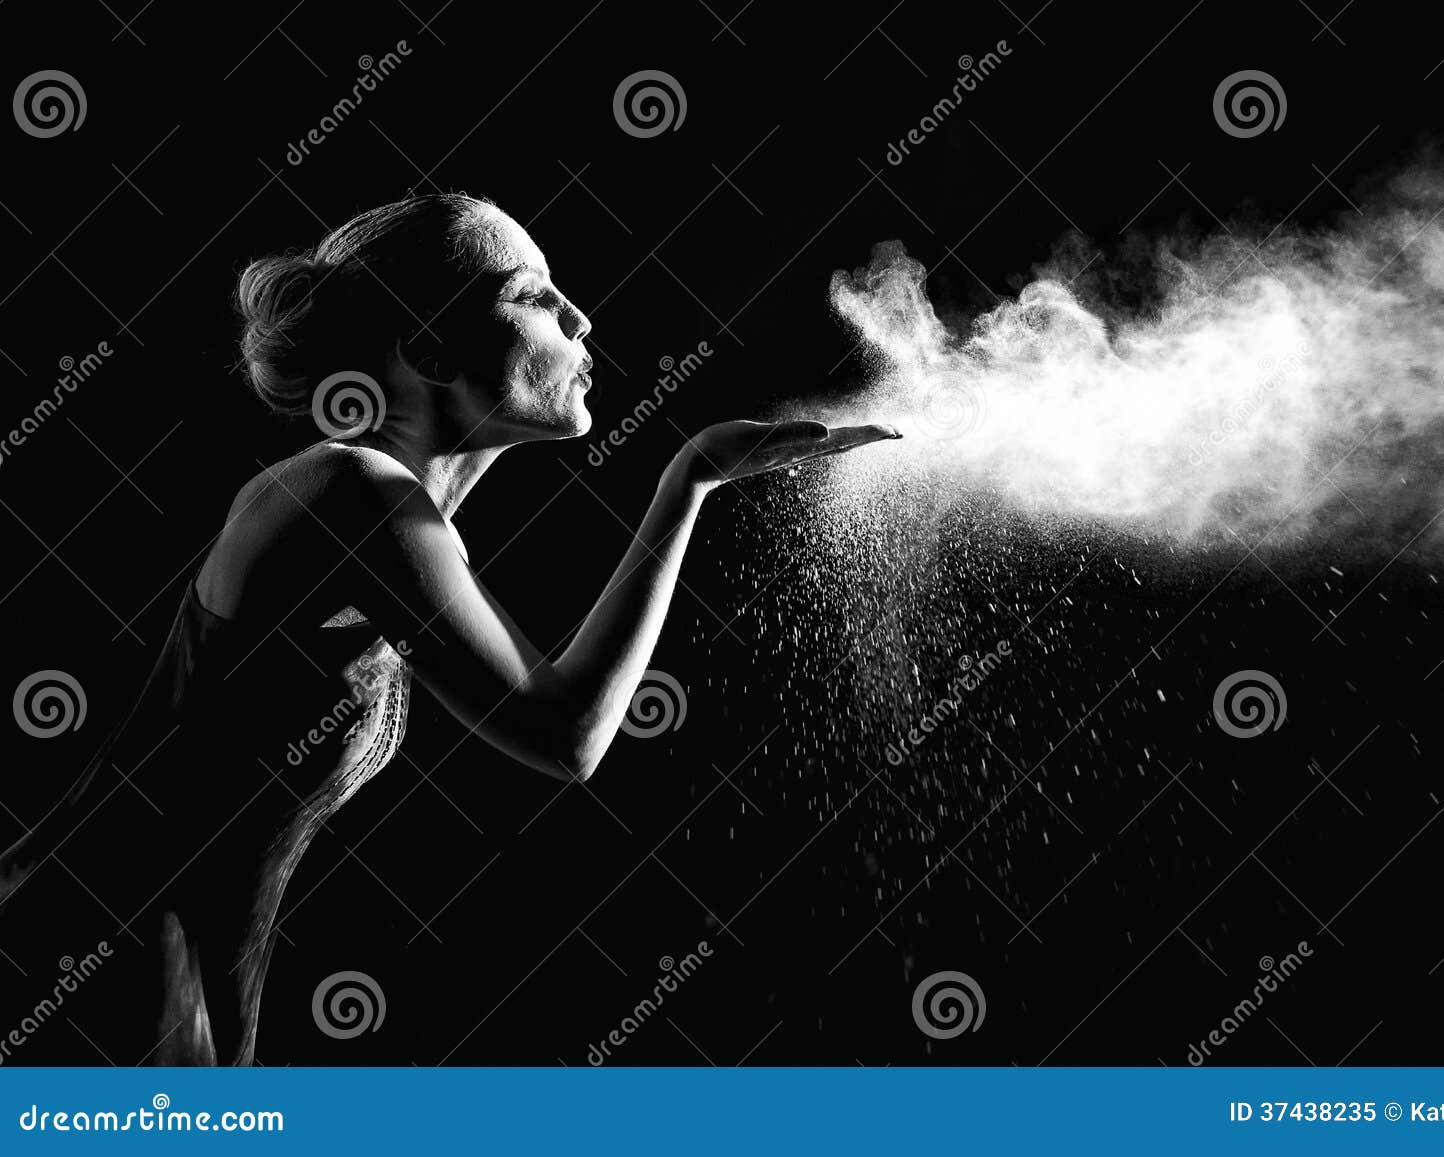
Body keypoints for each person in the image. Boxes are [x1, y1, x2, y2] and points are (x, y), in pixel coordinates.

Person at [0, 192, 897, 1065]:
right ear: (428, 348)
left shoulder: (391, 519)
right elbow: (566, 731)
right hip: (76, 974)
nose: (579, 318)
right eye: (532, 295)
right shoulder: (353, 489)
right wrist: (689, 480)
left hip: (152, 990)